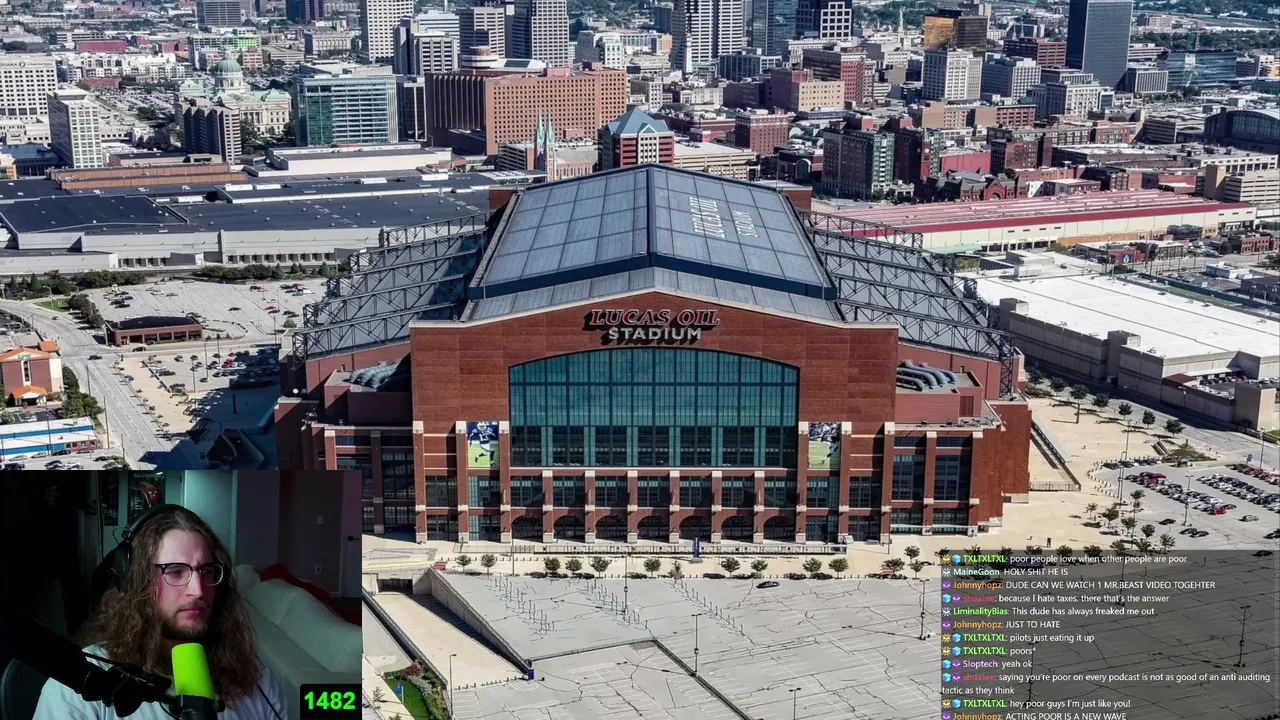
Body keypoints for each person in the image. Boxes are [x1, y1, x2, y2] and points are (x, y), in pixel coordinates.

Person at [33, 506, 288, 719]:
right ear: (136, 582)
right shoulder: (81, 688)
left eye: (207, 571)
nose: (198, 590)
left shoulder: (256, 680)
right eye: (175, 571)